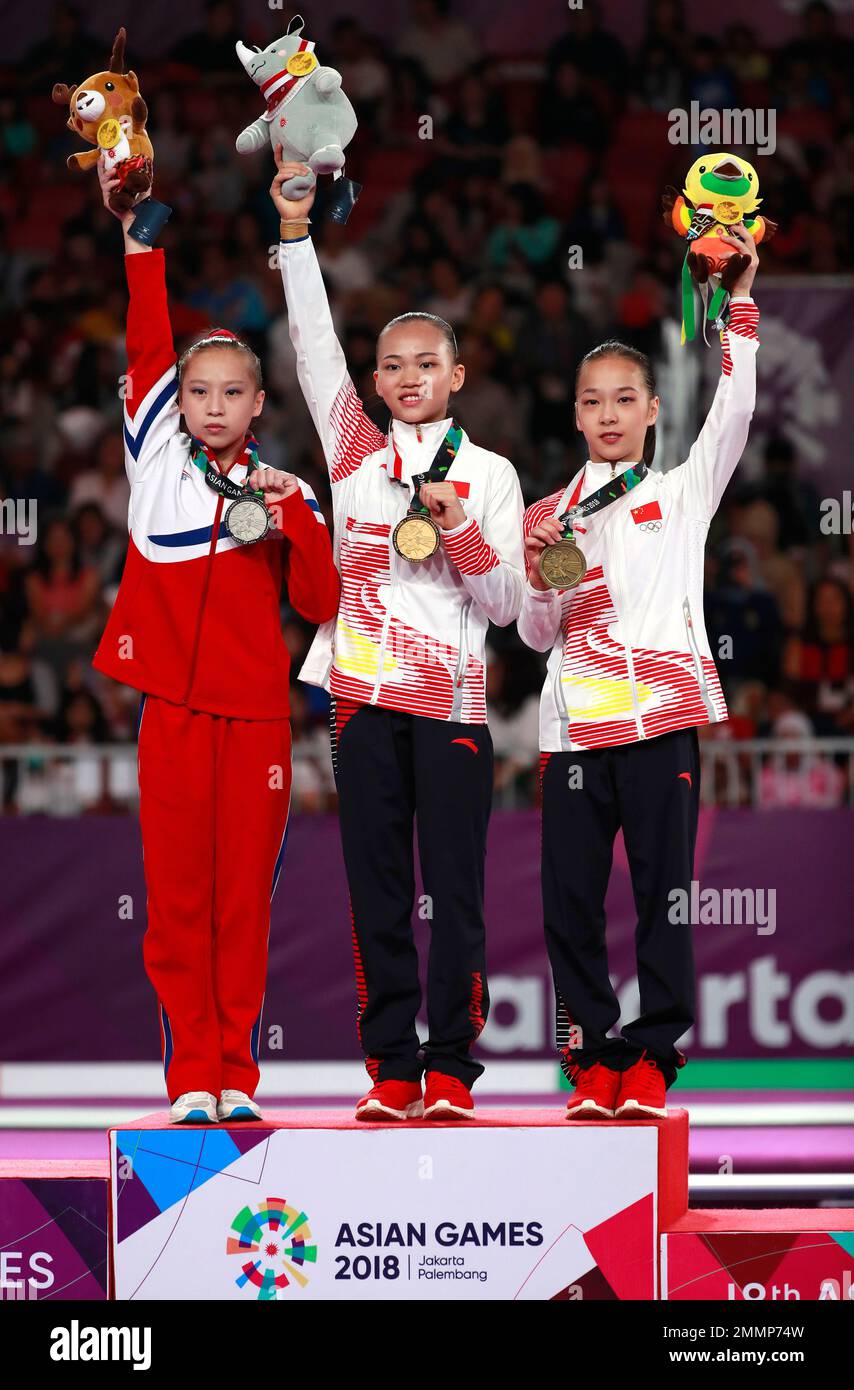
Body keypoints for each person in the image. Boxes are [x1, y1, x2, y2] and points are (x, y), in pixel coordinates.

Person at [273, 151, 525, 1124]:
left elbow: (506, 607)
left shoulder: (493, 473)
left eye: (428, 362)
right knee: (374, 892)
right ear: (374, 381)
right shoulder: (350, 451)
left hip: (454, 707)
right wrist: (295, 234)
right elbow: (309, 348)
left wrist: (455, 522)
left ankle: (452, 1070)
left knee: (454, 897)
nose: (408, 376)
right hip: (360, 701)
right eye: (392, 365)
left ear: (456, 376)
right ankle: (388, 1069)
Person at [90, 157, 340, 1125]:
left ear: (255, 406)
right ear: (175, 401)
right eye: (200, 391)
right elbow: (147, 343)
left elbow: (321, 602)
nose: (215, 405)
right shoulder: (154, 452)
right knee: (176, 906)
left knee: (244, 907)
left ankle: (238, 1069)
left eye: (233, 392)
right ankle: (190, 1072)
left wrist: (295, 522)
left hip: (257, 721)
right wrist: (137, 248)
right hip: (172, 714)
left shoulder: (288, 491)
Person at [518, 223, 761, 1121]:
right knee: (570, 904)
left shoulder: (682, 492)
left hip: (663, 726)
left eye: (627, 398)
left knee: (665, 900)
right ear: (577, 415)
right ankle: (590, 1059)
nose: (611, 414)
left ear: (654, 410)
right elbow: (539, 635)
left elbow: (733, 409)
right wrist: (547, 565)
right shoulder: (550, 513)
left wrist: (736, 300)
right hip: (574, 732)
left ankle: (655, 1053)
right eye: (595, 401)